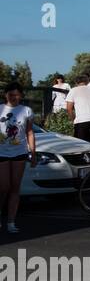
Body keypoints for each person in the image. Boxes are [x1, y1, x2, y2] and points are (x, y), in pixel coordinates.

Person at [1, 82, 37, 235]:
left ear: (21, 95)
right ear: (5, 94)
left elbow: (29, 132)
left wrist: (33, 153)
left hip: (19, 152)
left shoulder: (26, 110)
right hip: (1, 152)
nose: (14, 97)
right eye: (11, 94)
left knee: (15, 187)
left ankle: (11, 221)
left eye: (17, 94)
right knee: (3, 187)